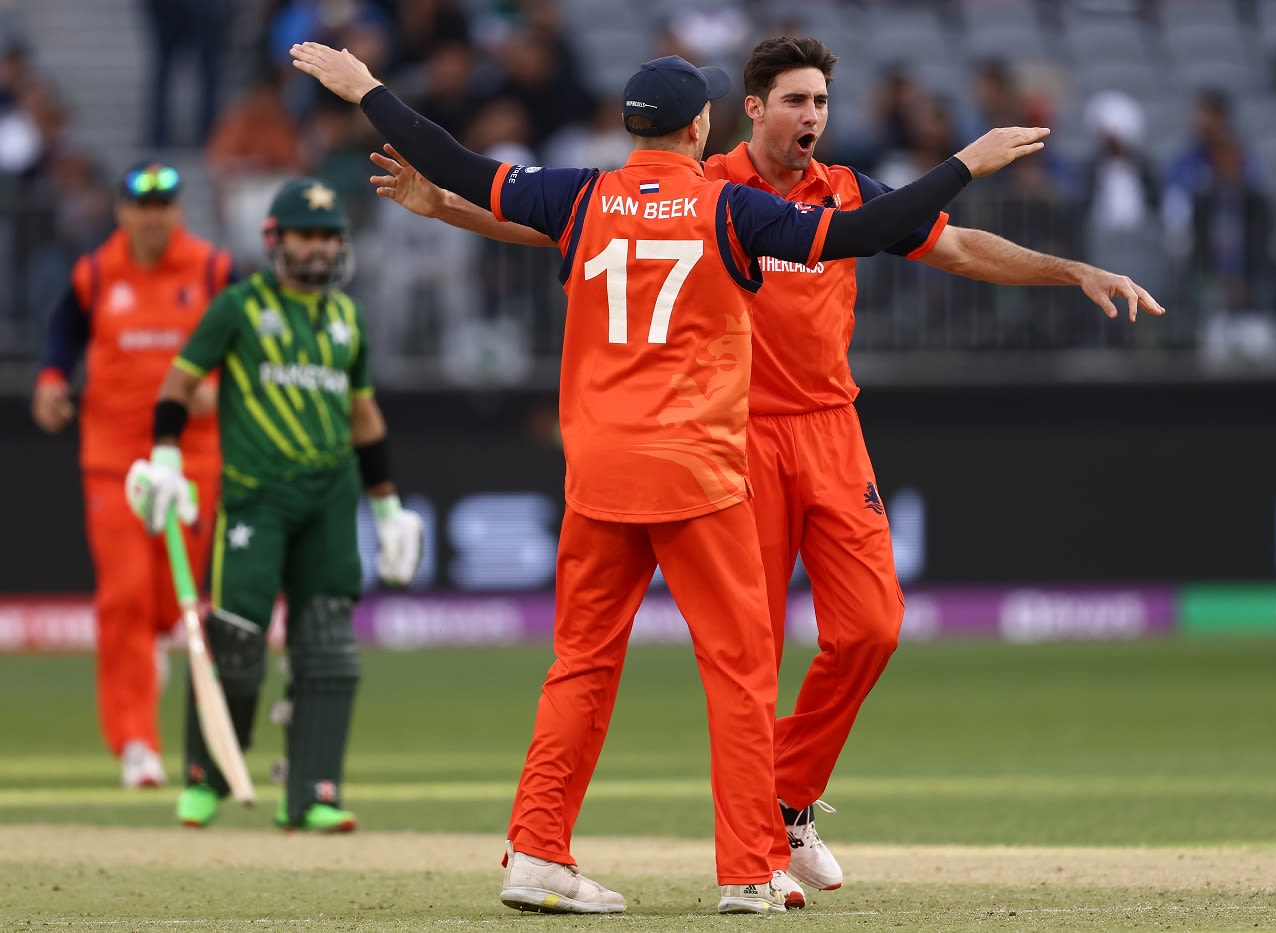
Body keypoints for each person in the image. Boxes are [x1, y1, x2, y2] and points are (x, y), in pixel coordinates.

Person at [355, 35, 1165, 909]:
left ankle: (770, 805)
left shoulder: (816, 188)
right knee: (750, 662)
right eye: (796, 101)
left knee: (869, 628)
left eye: (821, 102)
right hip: (727, 442)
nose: (812, 117)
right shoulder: (723, 195)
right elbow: (539, 218)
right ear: (740, 113)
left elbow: (956, 248)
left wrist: (1070, 269)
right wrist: (966, 161)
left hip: (811, 430)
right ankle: (751, 854)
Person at [123, 177, 424, 832]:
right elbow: (180, 380)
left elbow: (363, 413)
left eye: (327, 237)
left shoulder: (348, 318)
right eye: (304, 235)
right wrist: (168, 456)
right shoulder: (238, 306)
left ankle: (313, 792)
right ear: (274, 240)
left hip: (329, 498)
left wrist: (386, 505)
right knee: (236, 641)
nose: (317, 249)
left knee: (327, 647)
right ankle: (207, 777)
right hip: (256, 499)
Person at [32, 161, 233, 789]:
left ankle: (158, 648)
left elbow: (245, 344)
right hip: (115, 458)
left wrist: (220, 388)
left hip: (193, 454)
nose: (153, 217)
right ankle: (136, 743)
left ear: (178, 212)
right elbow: (62, 334)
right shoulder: (96, 273)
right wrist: (51, 382)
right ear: (121, 212)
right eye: (142, 205)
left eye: (165, 205)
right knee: (122, 597)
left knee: (178, 604)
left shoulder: (211, 270)